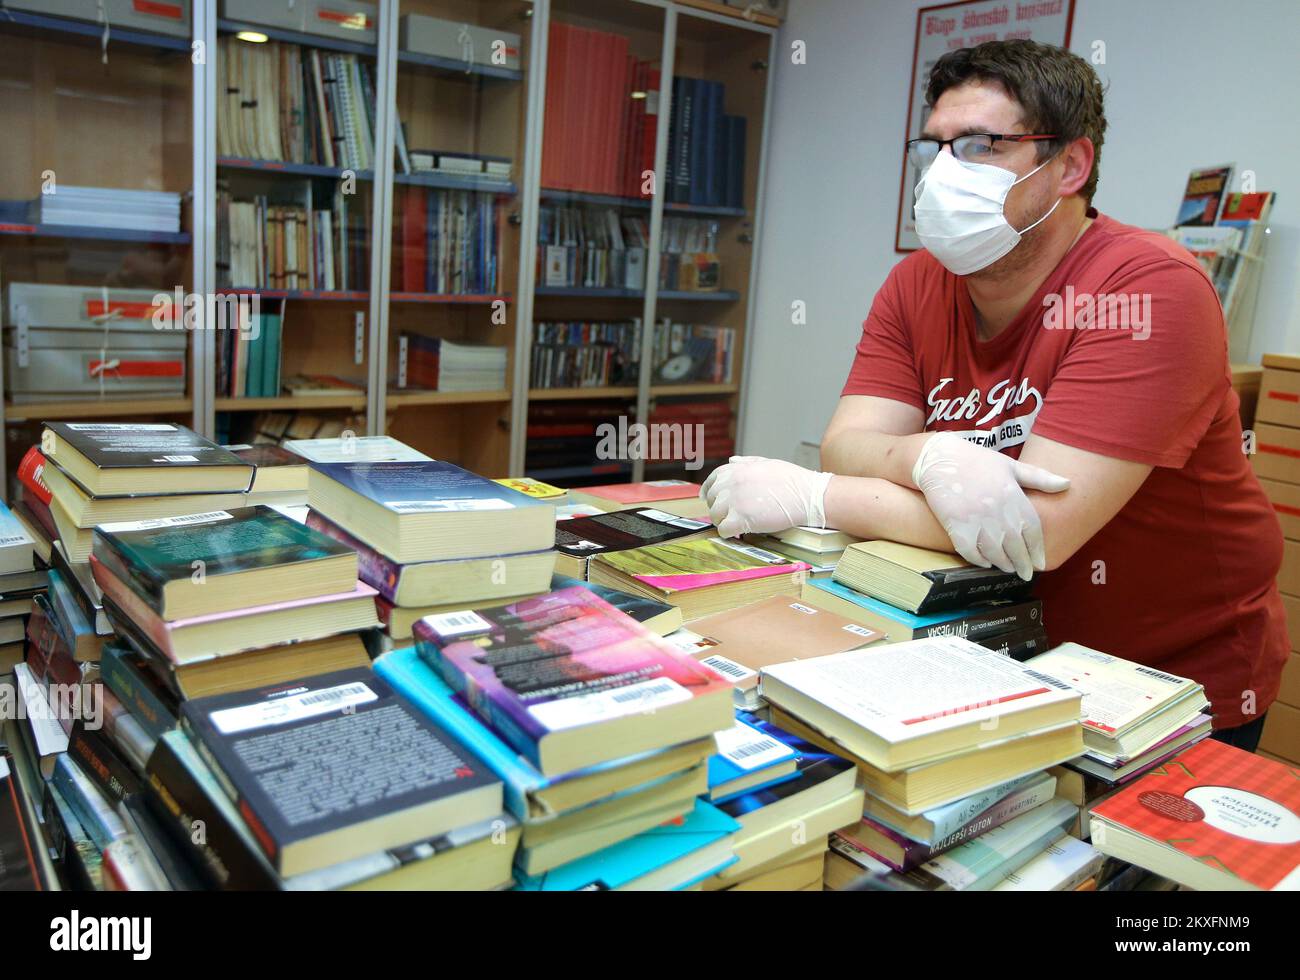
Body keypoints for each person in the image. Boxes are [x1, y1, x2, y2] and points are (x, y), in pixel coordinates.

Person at [701, 40, 1286, 751]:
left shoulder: (1148, 289)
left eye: (983, 146)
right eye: (936, 148)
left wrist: (813, 498)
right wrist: (931, 458)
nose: (946, 173)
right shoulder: (919, 281)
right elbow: (848, 443)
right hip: (990, 649)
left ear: (1070, 165)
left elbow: (1037, 532)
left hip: (1160, 680)